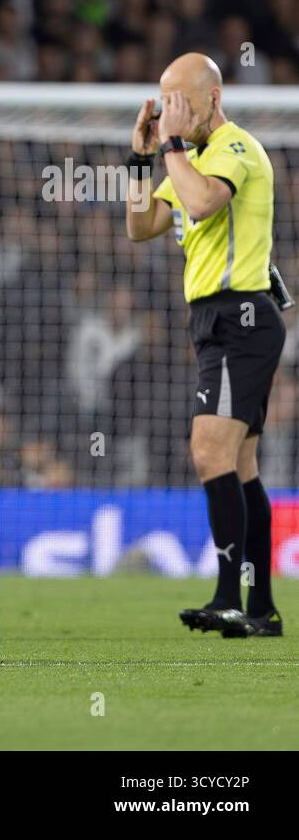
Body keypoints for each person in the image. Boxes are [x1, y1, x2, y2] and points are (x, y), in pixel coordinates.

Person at [125, 52, 284, 638]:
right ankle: (261, 608)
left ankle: (227, 596)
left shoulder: (235, 149)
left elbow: (200, 203)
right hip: (216, 322)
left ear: (212, 99)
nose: (172, 113)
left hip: (241, 318)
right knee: (241, 466)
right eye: (165, 101)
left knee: (207, 453)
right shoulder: (186, 159)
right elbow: (140, 227)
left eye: (182, 101)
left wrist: (167, 149)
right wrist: (141, 158)